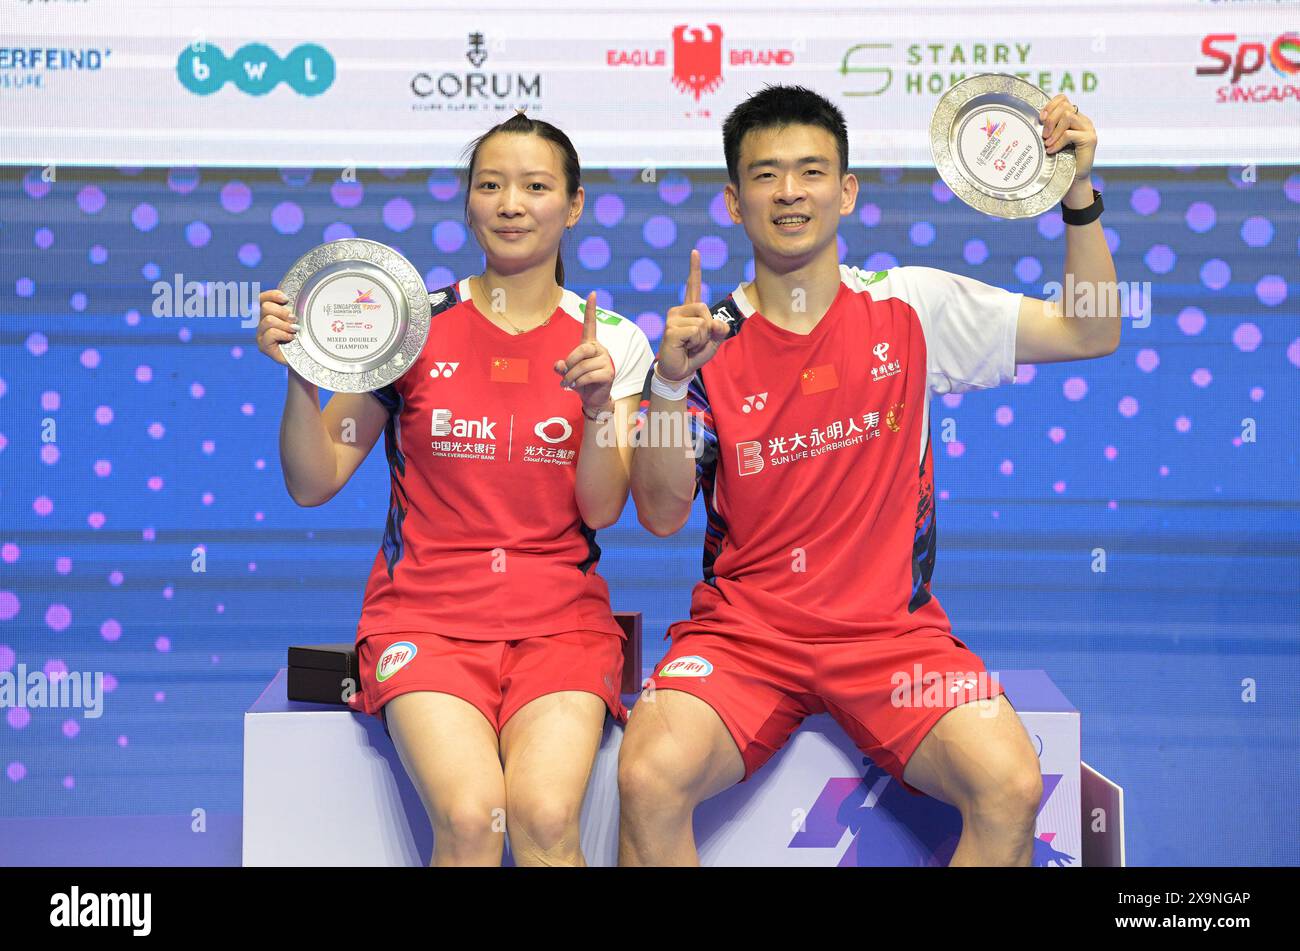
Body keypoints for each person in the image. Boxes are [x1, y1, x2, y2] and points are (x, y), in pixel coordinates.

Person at [619, 84, 1116, 866]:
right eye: (766, 174)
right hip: (747, 642)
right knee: (649, 776)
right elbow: (657, 511)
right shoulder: (703, 345)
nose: (790, 192)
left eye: (812, 171)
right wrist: (670, 386)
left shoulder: (910, 307)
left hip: (891, 642)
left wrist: (1077, 195)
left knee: (1011, 784)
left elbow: (1090, 330)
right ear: (733, 200)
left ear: (846, 192)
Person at [255, 112, 654, 866]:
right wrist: (305, 376)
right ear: (468, 203)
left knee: (542, 817)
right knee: (473, 820)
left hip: (559, 627)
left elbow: (602, 509)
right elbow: (314, 482)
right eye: (491, 185)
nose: (511, 204)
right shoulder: (409, 326)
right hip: (426, 622)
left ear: (572, 206)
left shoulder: (613, 342)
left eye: (536, 187)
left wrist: (601, 410)